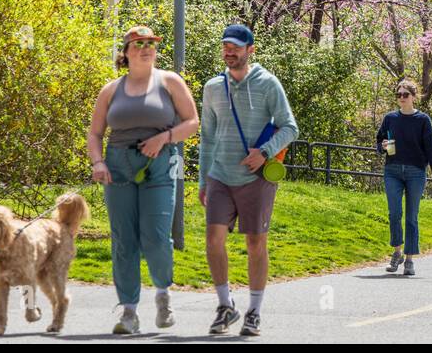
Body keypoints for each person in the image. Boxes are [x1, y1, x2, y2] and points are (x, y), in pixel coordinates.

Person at [86, 25, 200, 334]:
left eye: (150, 43)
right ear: (126, 52)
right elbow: (95, 133)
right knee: (124, 239)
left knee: (156, 236)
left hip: (159, 166)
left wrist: (164, 138)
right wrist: (98, 162)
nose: (145, 48)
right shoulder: (111, 90)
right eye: (138, 44)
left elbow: (192, 122)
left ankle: (163, 293)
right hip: (118, 167)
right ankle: (129, 312)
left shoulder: (169, 82)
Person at [199, 24, 300, 336]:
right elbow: (207, 137)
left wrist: (265, 152)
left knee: (255, 242)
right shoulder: (213, 87)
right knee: (213, 240)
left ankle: (254, 311)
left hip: (255, 178)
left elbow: (290, 127)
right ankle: (225, 305)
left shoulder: (268, 84)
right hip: (219, 176)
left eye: (236, 47)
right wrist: (203, 180)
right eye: (226, 46)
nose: (230, 52)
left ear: (250, 50)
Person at [376, 79, 432, 274]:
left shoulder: (423, 120)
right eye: (399, 95)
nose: (402, 98)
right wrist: (382, 145)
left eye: (405, 95)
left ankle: (409, 259)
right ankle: (396, 252)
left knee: (411, 217)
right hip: (393, 171)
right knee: (394, 213)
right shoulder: (390, 118)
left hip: (416, 173)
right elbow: (379, 141)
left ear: (414, 97)